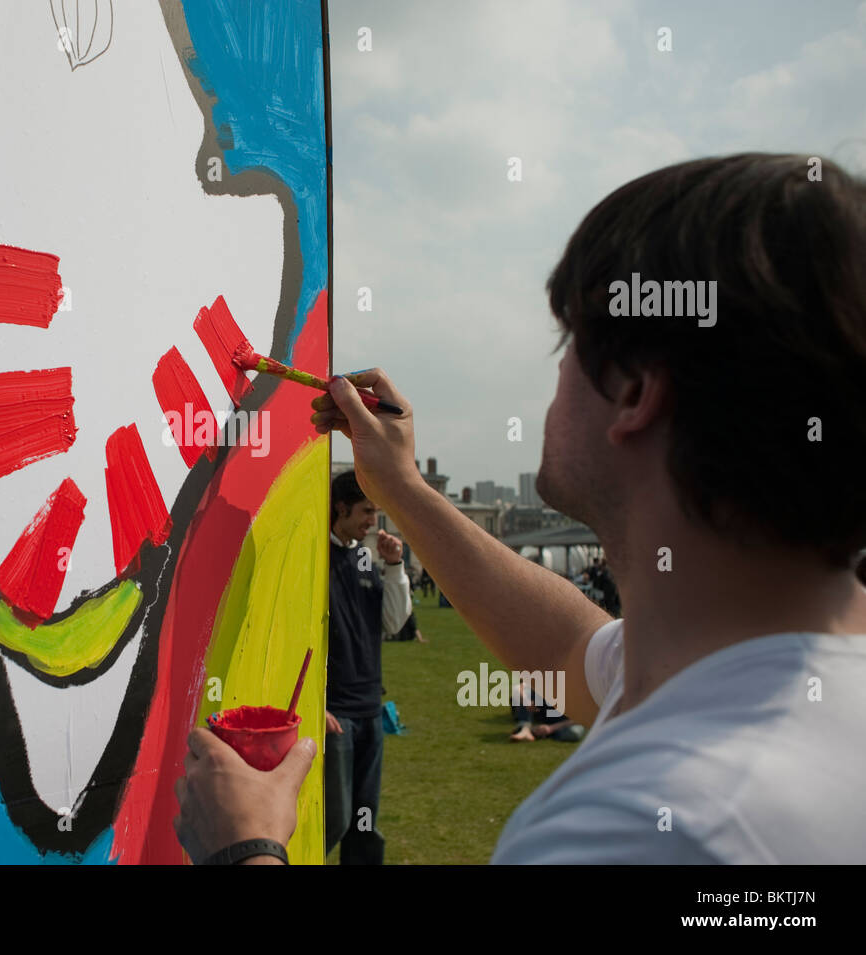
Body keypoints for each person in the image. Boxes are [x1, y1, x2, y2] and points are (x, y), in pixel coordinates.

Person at [174, 153, 866, 864]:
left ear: (633, 395)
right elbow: (572, 647)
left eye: (569, 340)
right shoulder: (755, 677)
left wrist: (246, 848)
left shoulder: (644, 825)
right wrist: (404, 488)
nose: (555, 370)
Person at [322, 471, 410, 864]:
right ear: (340, 507)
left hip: (370, 710)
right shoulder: (315, 557)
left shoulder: (364, 559)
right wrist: (315, 705)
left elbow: (393, 623)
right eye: (366, 511)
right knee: (333, 820)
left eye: (375, 512)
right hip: (335, 714)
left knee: (363, 821)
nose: (373, 521)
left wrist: (395, 566)